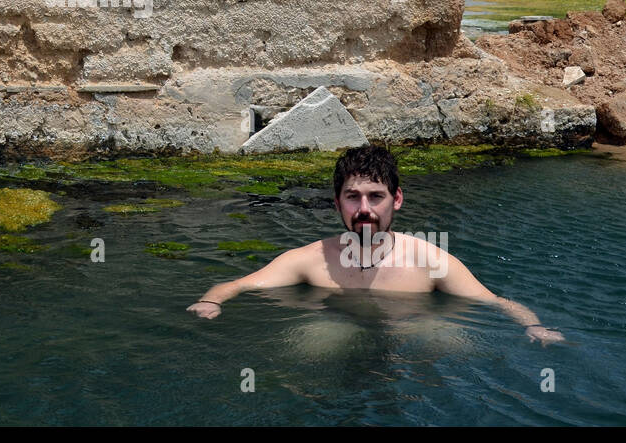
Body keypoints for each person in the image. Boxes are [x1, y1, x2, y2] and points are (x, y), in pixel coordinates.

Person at [187, 144, 566, 346]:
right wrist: (211, 301)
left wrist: (534, 326)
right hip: (336, 331)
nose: (364, 209)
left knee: (454, 343)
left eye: (375, 196)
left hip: (411, 335)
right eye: (353, 197)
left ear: (396, 199)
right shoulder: (310, 260)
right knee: (304, 344)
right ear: (337, 203)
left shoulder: (430, 259)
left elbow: (497, 302)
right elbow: (236, 285)